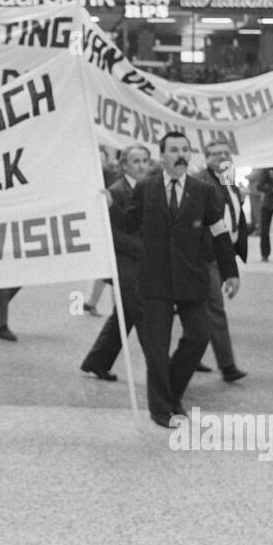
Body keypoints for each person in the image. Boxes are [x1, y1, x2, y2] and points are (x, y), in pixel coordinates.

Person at [123, 132, 240, 427]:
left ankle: (171, 391)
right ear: (161, 156)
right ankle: (161, 408)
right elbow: (127, 224)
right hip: (155, 279)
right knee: (157, 347)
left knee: (199, 335)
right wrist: (106, 203)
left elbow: (218, 231)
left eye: (185, 150)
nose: (180, 155)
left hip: (191, 276)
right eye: (173, 150)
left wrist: (230, 271)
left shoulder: (202, 190)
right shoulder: (146, 188)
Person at [79, 145, 155, 381]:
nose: (142, 166)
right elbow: (114, 234)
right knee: (143, 316)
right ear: (124, 165)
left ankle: (97, 361)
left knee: (125, 314)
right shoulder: (117, 192)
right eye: (136, 161)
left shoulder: (147, 188)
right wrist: (146, 250)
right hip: (127, 265)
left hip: (141, 263)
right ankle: (160, 370)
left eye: (145, 160)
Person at [197, 139, 249, 383]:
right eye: (215, 154)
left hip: (223, 253)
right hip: (205, 257)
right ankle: (227, 366)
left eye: (225, 153)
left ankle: (191, 353)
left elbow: (231, 215)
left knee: (198, 310)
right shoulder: (201, 182)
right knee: (215, 309)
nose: (221, 157)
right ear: (206, 158)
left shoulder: (228, 180)